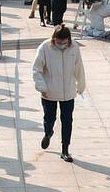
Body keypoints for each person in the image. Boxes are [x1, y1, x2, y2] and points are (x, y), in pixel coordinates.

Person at [31, 25, 85, 162]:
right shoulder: (44, 47)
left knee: (67, 121)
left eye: (64, 43)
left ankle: (65, 149)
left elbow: (79, 67)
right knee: (49, 118)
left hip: (68, 92)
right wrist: (42, 87)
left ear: (69, 40)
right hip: (49, 92)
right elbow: (36, 69)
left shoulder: (74, 48)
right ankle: (48, 133)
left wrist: (81, 86)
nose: (61, 45)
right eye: (58, 43)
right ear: (54, 39)